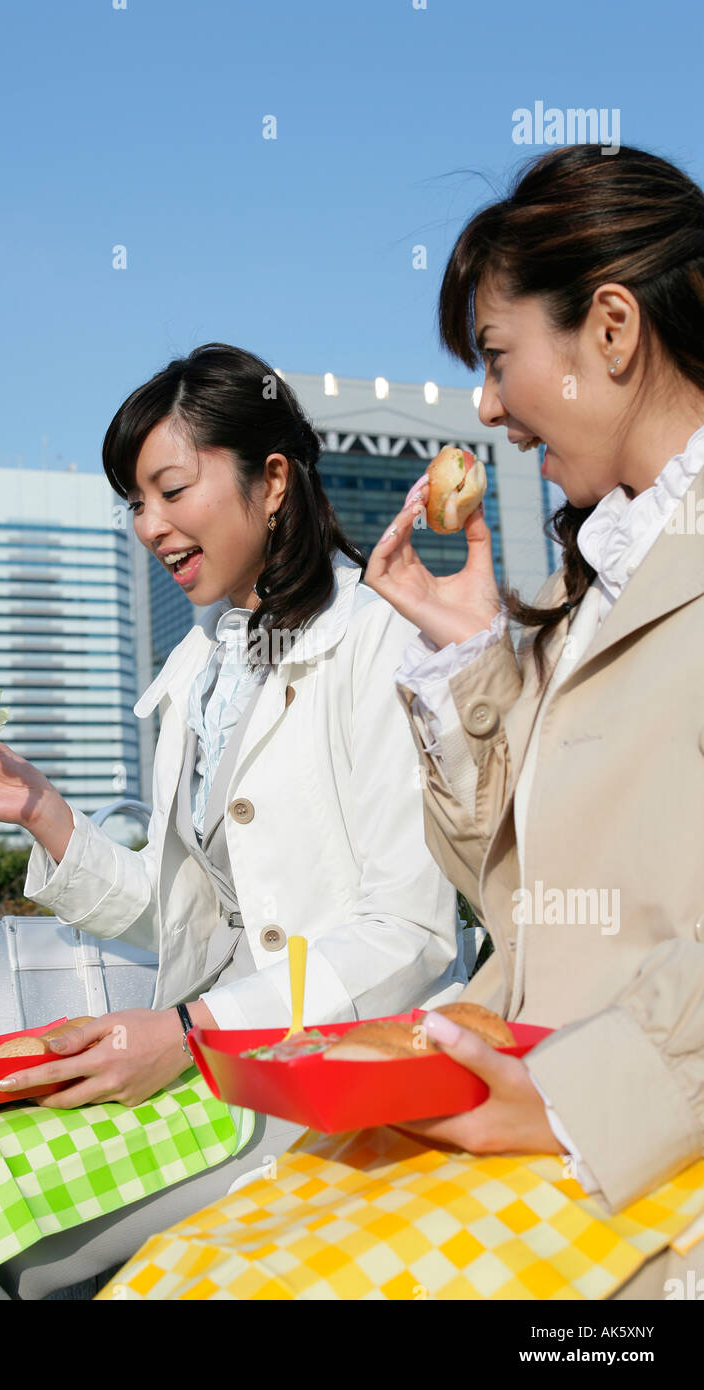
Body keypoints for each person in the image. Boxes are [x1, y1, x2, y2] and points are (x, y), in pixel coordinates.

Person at [0, 343, 466, 1300]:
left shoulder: (379, 639)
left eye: (171, 489)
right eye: (135, 503)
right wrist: (43, 813)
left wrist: (193, 1029)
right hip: (208, 1066)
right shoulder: (203, 671)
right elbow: (189, 922)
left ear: (272, 481)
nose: (149, 526)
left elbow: (410, 934)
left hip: (322, 1081)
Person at [363, 142, 704, 1295]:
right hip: (525, 1121)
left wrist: (573, 1093)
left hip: (642, 1161)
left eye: (499, 357)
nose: (487, 406)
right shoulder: (588, 577)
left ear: (610, 329)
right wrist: (465, 657)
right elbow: (502, 887)